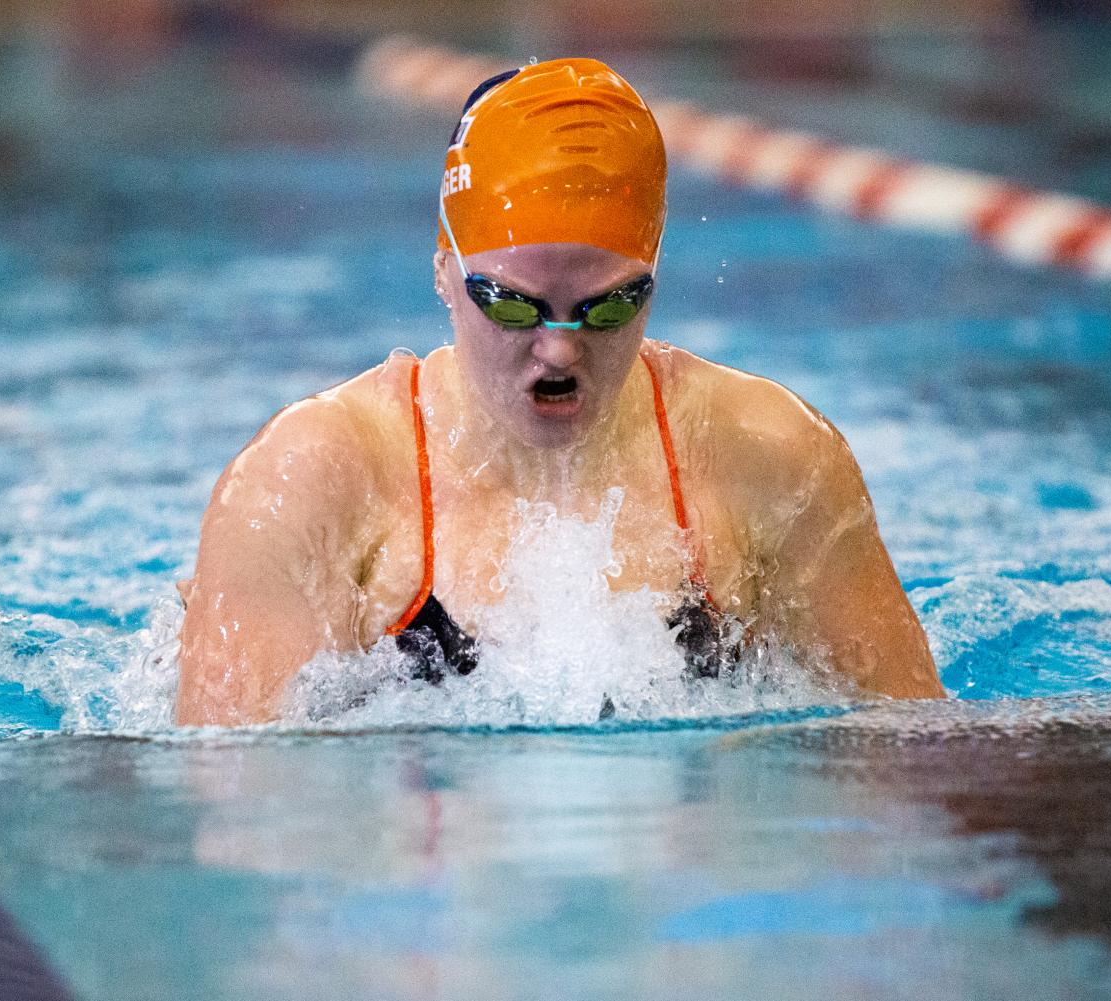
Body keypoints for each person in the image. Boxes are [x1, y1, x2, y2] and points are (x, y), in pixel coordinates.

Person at [174, 58, 944, 726]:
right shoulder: (310, 482)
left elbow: (910, 753)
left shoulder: (765, 454)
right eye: (511, 304)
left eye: (608, 307)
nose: (558, 350)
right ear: (444, 268)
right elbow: (233, 805)